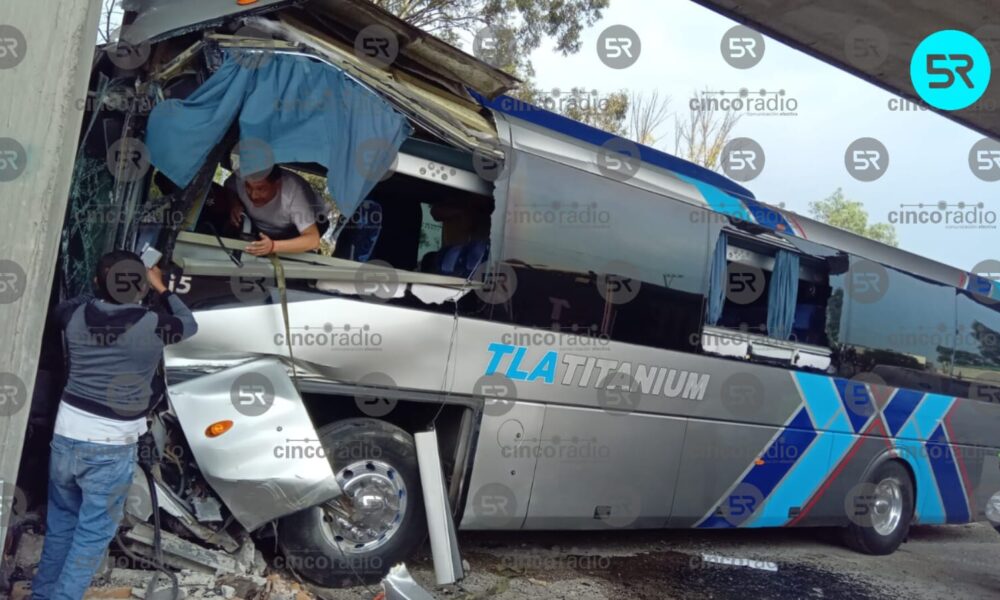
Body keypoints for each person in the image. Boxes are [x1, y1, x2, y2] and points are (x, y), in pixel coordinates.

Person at [32, 251, 198, 600]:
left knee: (61, 524)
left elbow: (80, 300)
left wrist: (108, 281)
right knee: (91, 535)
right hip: (110, 446)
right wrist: (161, 288)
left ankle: (43, 595)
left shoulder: (72, 315)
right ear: (142, 287)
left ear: (96, 283)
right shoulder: (156, 324)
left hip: (65, 438)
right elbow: (189, 322)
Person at [224, 165, 326, 256]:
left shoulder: (294, 192)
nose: (253, 195)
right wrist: (235, 204)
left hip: (298, 228)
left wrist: (273, 246)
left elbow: (312, 240)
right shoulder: (240, 177)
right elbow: (229, 186)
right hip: (258, 227)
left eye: (261, 189)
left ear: (277, 184)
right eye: (248, 188)